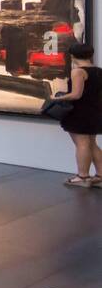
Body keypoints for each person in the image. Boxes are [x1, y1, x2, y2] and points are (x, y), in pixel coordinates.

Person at [54, 43, 102, 187]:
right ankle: (100, 176)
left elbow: (76, 94)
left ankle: (82, 177)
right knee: (92, 144)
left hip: (80, 112)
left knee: (82, 144)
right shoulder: (99, 71)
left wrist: (57, 98)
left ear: (72, 56)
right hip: (94, 111)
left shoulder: (78, 72)